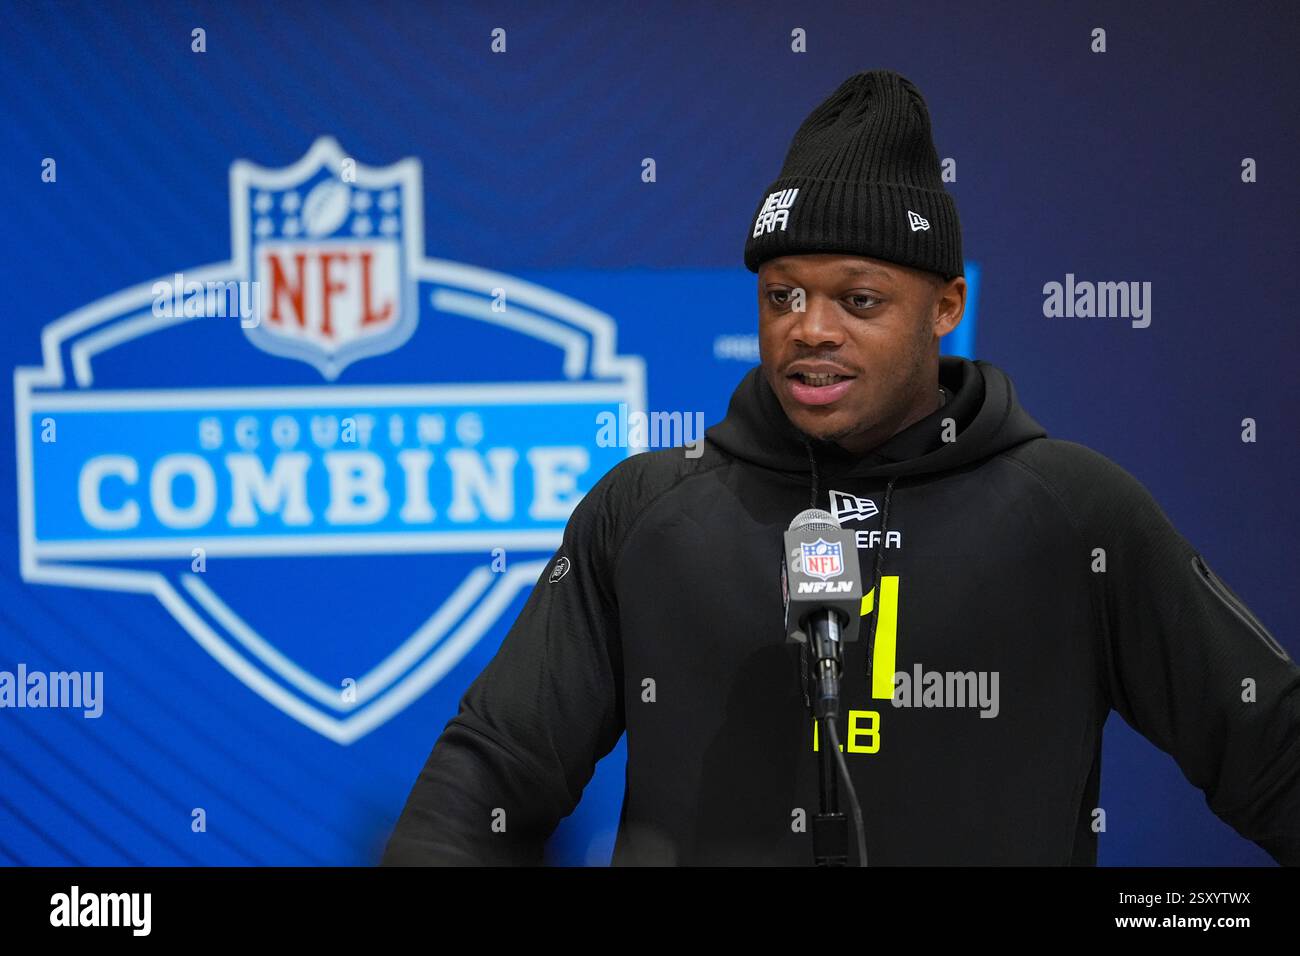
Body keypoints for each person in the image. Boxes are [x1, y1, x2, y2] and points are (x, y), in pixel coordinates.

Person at [382, 69, 1300, 866]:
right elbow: (489, 778)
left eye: (858, 299)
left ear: (946, 306)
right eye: (783, 294)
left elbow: (1273, 750)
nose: (810, 328)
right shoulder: (645, 512)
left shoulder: (1075, 515)